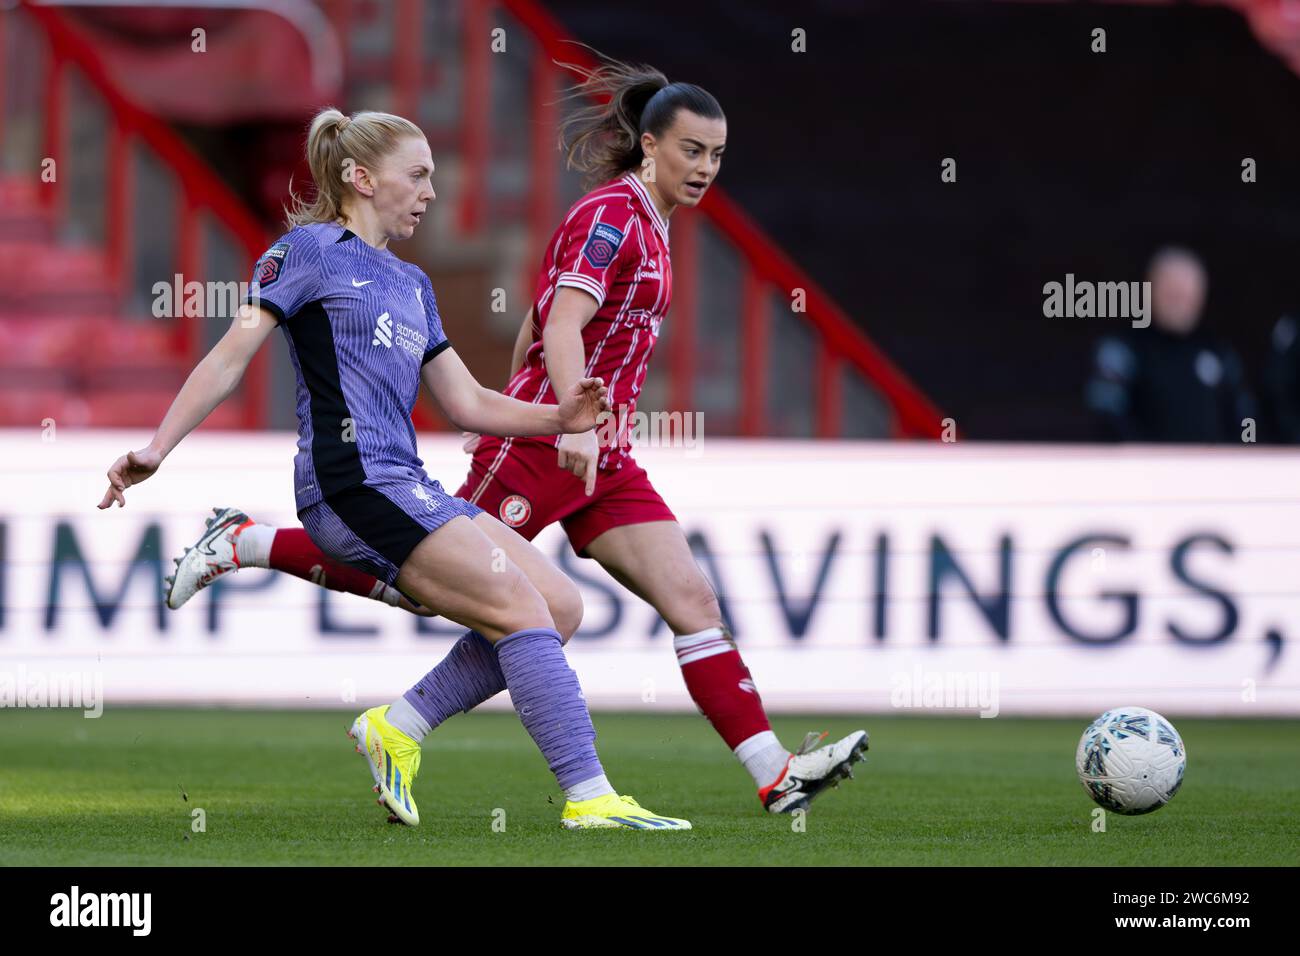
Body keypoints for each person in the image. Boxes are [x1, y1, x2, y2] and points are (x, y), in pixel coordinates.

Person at [166, 61, 868, 815]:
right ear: (651, 146)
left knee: (683, 598)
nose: (706, 167)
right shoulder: (611, 217)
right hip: (549, 443)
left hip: (599, 448)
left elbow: (532, 319)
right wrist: (561, 415)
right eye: (692, 150)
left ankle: (772, 770)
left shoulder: (651, 229)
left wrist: (521, 413)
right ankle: (255, 547)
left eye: (717, 155)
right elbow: (559, 324)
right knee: (442, 589)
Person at [99, 107, 691, 832]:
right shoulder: (310, 252)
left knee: (560, 608)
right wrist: (157, 449)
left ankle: (398, 724)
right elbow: (229, 357)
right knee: (522, 613)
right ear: (360, 177)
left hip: (408, 485)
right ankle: (589, 795)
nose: (431, 192)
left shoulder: (414, 285)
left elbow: (468, 402)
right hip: (350, 484)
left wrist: (560, 419)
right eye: (417, 175)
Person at [1086, 246, 1254, 442]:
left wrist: (1244, 456)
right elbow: (1106, 415)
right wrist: (1144, 459)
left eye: (1187, 295)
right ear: (1150, 289)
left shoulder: (1217, 351)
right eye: (1172, 293)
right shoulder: (1123, 348)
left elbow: (1247, 415)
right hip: (1143, 468)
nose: (1180, 302)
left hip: (1214, 469)